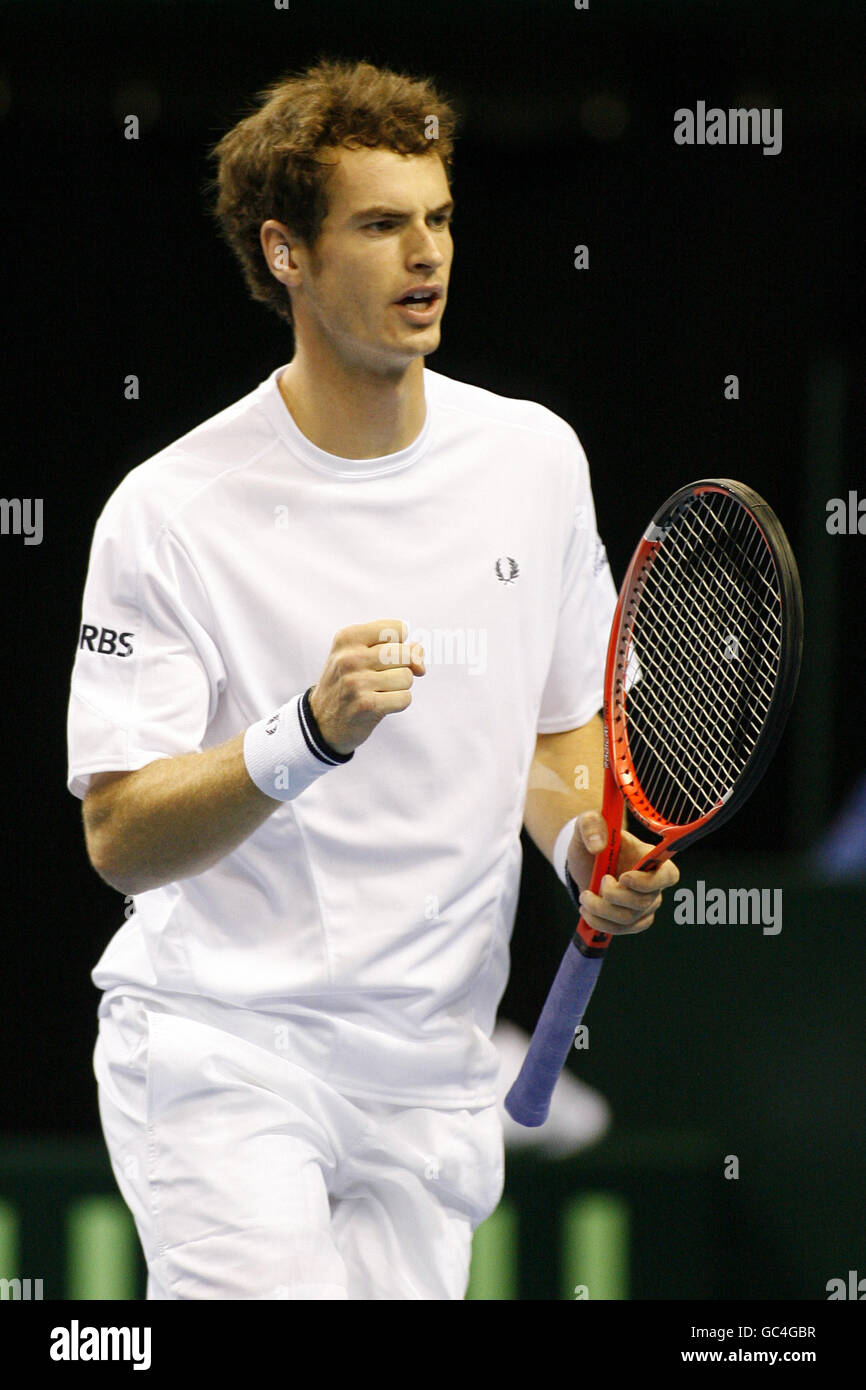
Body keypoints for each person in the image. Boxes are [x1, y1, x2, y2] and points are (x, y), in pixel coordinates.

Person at [67, 57, 679, 1301]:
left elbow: (559, 735)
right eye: (382, 223)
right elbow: (120, 837)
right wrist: (301, 736)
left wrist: (579, 851)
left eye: (439, 218)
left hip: (431, 1074)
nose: (427, 255)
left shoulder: (533, 460)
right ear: (286, 252)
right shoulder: (169, 511)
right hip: (223, 1053)